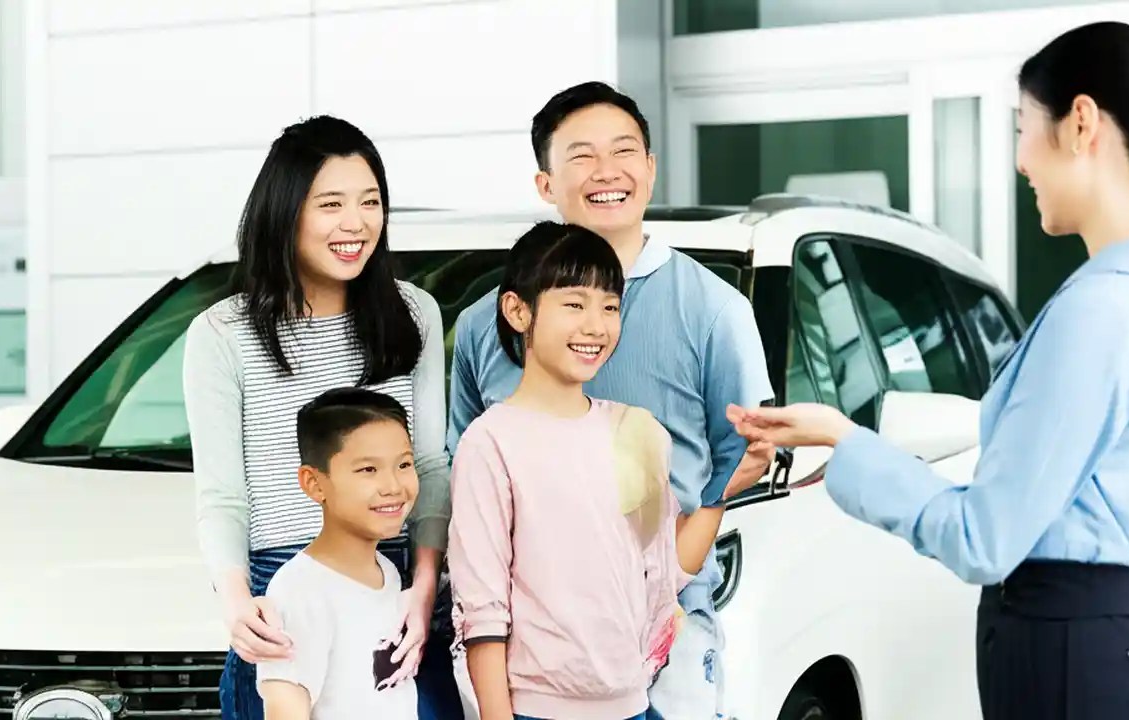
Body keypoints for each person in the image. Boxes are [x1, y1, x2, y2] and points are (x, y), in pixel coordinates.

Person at [725, 21, 1129, 720]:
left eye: (1022, 127)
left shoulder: (1101, 309)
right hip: (1098, 656)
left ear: (1082, 124)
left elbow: (985, 538)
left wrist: (846, 443)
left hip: (1070, 671)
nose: (1020, 159)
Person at [447, 81, 775, 718]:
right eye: (581, 156)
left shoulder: (714, 311)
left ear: (651, 170)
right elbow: (461, 483)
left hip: (665, 629)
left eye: (624, 151)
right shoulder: (487, 322)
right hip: (526, 658)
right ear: (545, 183)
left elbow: (740, 463)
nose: (607, 173)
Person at [183, 115, 461, 720]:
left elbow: (433, 465)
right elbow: (223, 494)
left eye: (370, 201)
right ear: (285, 214)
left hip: (398, 584)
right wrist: (236, 602)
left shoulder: (414, 312)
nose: (355, 223)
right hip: (283, 584)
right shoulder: (222, 334)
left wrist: (423, 582)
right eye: (330, 204)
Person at [449, 221, 686, 720]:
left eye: (610, 307)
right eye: (574, 304)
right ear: (518, 310)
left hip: (633, 704)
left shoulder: (637, 431)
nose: (596, 326)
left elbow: (658, 570)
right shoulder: (491, 442)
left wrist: (730, 484)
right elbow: (482, 609)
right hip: (537, 709)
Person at [257, 387, 422, 719]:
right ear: (314, 483)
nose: (393, 485)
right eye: (368, 470)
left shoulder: (386, 573)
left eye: (404, 464)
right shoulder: (300, 591)